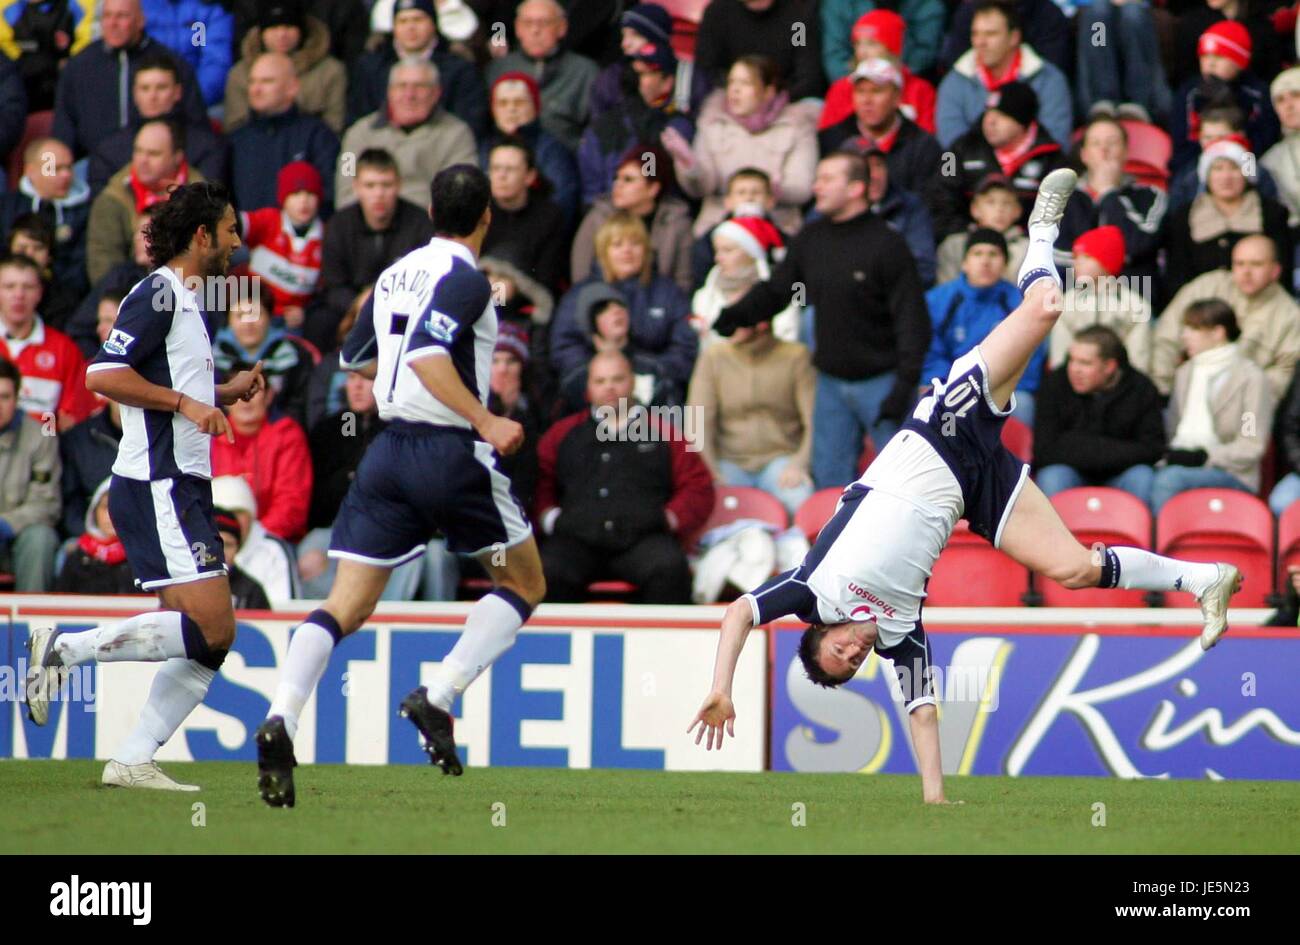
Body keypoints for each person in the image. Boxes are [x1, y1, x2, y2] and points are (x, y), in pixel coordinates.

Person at [688, 169, 1246, 802]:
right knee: (1075, 570)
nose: (849, 651)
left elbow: (738, 612)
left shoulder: (811, 590)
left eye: (834, 649)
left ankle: (1038, 234)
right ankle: (1204, 580)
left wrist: (722, 687)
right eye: (850, 663)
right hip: (975, 487)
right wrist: (934, 798)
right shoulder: (899, 633)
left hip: (942, 430)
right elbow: (921, 713)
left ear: (820, 628)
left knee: (1045, 307)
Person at [254, 165, 547, 807]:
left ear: (428, 213)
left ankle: (281, 717)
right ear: (486, 217)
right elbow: (426, 355)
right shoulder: (467, 279)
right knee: (524, 582)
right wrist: (487, 418)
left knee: (346, 606)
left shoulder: (394, 273)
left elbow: (354, 357)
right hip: (447, 451)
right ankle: (438, 697)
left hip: (385, 454)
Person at [24, 181, 266, 792]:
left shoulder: (188, 300)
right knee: (216, 631)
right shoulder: (158, 292)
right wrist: (186, 400)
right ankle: (64, 651)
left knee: (205, 641)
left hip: (176, 485)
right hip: (161, 485)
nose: (239, 243)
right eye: (232, 230)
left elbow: (164, 383)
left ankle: (132, 757)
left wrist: (221, 392)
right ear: (203, 235)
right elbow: (104, 372)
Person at [713, 151, 932, 489]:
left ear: (856, 187)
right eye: (816, 179)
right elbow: (777, 290)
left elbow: (912, 318)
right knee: (831, 483)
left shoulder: (888, 244)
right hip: (828, 382)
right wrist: (735, 315)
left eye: (828, 179)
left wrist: (904, 384)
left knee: (900, 481)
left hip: (883, 381)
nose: (817, 187)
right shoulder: (811, 239)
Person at [535, 349, 714, 603]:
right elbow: (539, 482)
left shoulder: (665, 432)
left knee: (670, 570)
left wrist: (667, 518)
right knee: (546, 573)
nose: (609, 388)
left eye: (617, 379)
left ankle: (660, 644)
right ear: (588, 386)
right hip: (574, 541)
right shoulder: (562, 433)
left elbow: (698, 486)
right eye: (600, 381)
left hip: (644, 541)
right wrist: (551, 519)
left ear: (632, 381)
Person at [669, 55, 816, 240]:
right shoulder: (712, 122)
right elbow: (700, 190)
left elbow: (802, 188)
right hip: (717, 228)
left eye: (745, 83)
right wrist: (690, 166)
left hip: (778, 229)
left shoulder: (796, 125)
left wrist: (774, 190)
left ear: (768, 91)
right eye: (731, 82)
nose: (735, 90)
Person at [1150, 298, 1275, 513]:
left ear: (1218, 332)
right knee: (1141, 478)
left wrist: (1205, 456)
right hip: (1180, 463)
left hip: (1231, 472)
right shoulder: (1184, 373)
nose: (1184, 336)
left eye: (1194, 329)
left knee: (1169, 480)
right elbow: (1172, 427)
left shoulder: (1251, 379)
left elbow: (1251, 444)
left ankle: (1157, 546)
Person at [51, 0, 208, 160]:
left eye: (122, 16)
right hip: (93, 162)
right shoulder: (79, 66)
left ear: (141, 21)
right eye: (107, 16)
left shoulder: (171, 64)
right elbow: (63, 127)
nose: (113, 23)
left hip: (163, 165)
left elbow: (196, 125)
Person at [688, 318, 815, 517]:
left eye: (736, 315)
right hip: (728, 462)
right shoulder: (713, 357)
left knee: (802, 504)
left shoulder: (796, 356)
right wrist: (710, 472)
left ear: (761, 322)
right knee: (710, 510)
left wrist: (799, 464)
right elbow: (698, 421)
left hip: (781, 459)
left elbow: (815, 421)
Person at [312, 148, 434, 353]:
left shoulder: (420, 223)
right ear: (356, 187)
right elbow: (333, 286)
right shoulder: (339, 225)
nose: (378, 194)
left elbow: (427, 280)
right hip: (351, 306)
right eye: (370, 186)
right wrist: (359, 302)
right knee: (319, 321)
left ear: (398, 186)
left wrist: (381, 302)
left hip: (404, 306)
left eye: (386, 185)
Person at [1152, 233, 1300, 400]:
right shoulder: (1207, 286)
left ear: (1275, 271)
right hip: (1184, 395)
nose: (1246, 272)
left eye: (1256, 264)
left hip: (1244, 407)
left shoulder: (1291, 316)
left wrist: (1241, 402)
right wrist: (1163, 390)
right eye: (1239, 263)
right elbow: (1166, 337)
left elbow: (1284, 374)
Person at [1033, 325, 1165, 508]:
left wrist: (1075, 443)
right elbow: (1043, 452)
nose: (1074, 369)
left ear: (1110, 366)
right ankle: (1052, 537)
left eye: (1085, 363)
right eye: (1071, 360)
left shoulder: (1142, 388)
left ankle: (1131, 534)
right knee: (1052, 476)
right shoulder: (1055, 383)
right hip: (1071, 472)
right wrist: (1115, 450)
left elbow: (1152, 449)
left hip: (1122, 474)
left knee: (1142, 476)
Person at [921, 228, 1040, 425]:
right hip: (951, 386)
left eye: (993, 254)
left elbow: (1030, 354)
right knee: (927, 404)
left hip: (1002, 387)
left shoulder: (1020, 304)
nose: (985, 262)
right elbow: (929, 351)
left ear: (1005, 264)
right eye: (977, 254)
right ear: (965, 263)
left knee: (1024, 403)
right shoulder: (938, 300)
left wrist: (996, 388)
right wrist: (954, 387)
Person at [336, 58, 477, 211]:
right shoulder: (357, 134)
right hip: (366, 229)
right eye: (401, 86)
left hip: (429, 227)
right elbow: (346, 188)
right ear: (389, 92)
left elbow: (460, 194)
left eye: (419, 86)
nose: (409, 95)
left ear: (436, 93)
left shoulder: (458, 135)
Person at [1163, 135, 1291, 298]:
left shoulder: (1272, 213)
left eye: (1234, 168)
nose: (1226, 177)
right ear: (1206, 175)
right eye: (1218, 168)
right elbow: (1177, 275)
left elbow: (1282, 271)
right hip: (1202, 306)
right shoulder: (1184, 216)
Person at [86, 49, 228, 197]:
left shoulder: (207, 147)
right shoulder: (108, 151)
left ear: (177, 92)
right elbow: (102, 209)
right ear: (135, 93)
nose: (152, 96)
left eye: (161, 87)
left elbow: (212, 204)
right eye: (145, 88)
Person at [934, 1, 1072, 149]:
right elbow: (951, 146)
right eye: (975, 33)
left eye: (991, 34)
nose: (980, 42)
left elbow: (1055, 144)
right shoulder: (954, 82)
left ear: (1014, 37)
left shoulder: (1049, 80)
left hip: (1034, 169)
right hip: (972, 170)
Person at [86, 118, 208, 285]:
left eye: (153, 154)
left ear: (177, 157)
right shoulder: (111, 200)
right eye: (138, 151)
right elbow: (103, 273)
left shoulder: (203, 199)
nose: (143, 160)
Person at [347, 0, 488, 137]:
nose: (410, 27)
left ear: (433, 23)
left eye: (418, 20)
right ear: (394, 27)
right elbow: (356, 116)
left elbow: (471, 120)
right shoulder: (370, 66)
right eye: (403, 21)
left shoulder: (459, 68)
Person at [227, 51, 339, 215]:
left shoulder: (318, 136)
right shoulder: (236, 140)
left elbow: (329, 194)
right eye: (252, 82)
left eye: (267, 81)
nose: (256, 89)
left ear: (292, 87)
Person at [485, 0, 599, 152]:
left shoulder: (585, 71)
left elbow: (597, 129)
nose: (535, 30)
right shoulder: (499, 68)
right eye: (527, 23)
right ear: (517, 28)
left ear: (562, 28)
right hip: (509, 154)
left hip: (568, 156)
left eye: (544, 23)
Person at [0, 253, 98, 429]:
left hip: (43, 452)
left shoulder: (64, 350)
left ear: (39, 292)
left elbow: (69, 420)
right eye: (9, 286)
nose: (19, 295)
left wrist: (45, 435)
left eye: (28, 287)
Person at [224, 0, 348, 134]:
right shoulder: (240, 74)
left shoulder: (330, 71)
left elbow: (335, 124)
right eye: (273, 28)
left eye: (288, 27)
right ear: (261, 33)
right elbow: (236, 126)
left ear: (301, 31)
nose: (282, 35)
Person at [1048, 225, 1153, 373]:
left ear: (1107, 262)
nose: (1077, 264)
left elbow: (1139, 360)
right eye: (1075, 258)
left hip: (1119, 387)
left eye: (1086, 258)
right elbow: (1060, 357)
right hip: (1074, 385)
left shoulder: (1135, 306)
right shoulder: (1066, 303)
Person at [819, 8, 939, 134]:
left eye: (872, 44)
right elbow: (828, 140)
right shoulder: (841, 89)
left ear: (892, 49)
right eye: (858, 44)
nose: (862, 52)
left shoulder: (920, 90)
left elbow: (927, 142)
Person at [0, 358, 61, 592]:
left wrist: (6, 524)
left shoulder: (40, 436)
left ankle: (33, 624)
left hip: (16, 538)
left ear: (17, 399)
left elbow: (47, 504)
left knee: (41, 538)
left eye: (5, 397)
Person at [693, 0, 825, 103]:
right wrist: (742, 92)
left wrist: (773, 99)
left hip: (785, 105)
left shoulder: (797, 22)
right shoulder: (718, 14)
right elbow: (708, 69)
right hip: (731, 102)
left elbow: (807, 76)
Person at [935, 173, 1027, 284]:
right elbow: (945, 293)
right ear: (975, 209)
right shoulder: (954, 245)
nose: (999, 209)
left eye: (1006, 203)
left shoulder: (1030, 249)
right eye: (990, 202)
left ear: (1018, 211)